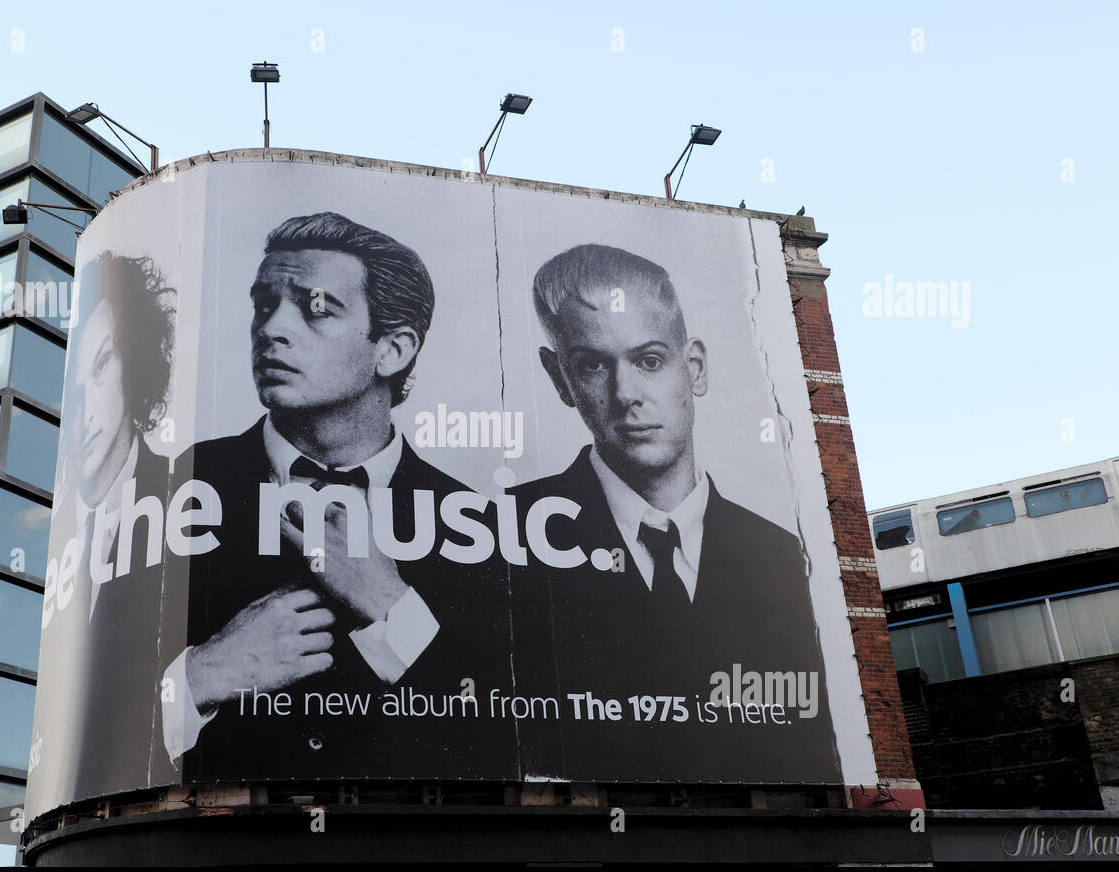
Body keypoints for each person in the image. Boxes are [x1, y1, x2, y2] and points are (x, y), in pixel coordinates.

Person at [161, 212, 516, 781]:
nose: (272, 329)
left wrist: (391, 608)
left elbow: (513, 738)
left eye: (316, 307)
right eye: (264, 304)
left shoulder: (478, 523)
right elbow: (94, 728)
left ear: (393, 350)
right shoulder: (179, 486)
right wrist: (202, 676)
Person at [508, 243, 841, 785]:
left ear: (695, 368)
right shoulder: (512, 533)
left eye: (649, 360)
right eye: (592, 365)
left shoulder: (778, 554)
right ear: (559, 379)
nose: (626, 395)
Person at [38, 251, 181, 805]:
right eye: (73, 391)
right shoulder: (62, 548)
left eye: (102, 365)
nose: (86, 411)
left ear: (135, 363)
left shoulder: (185, 498)